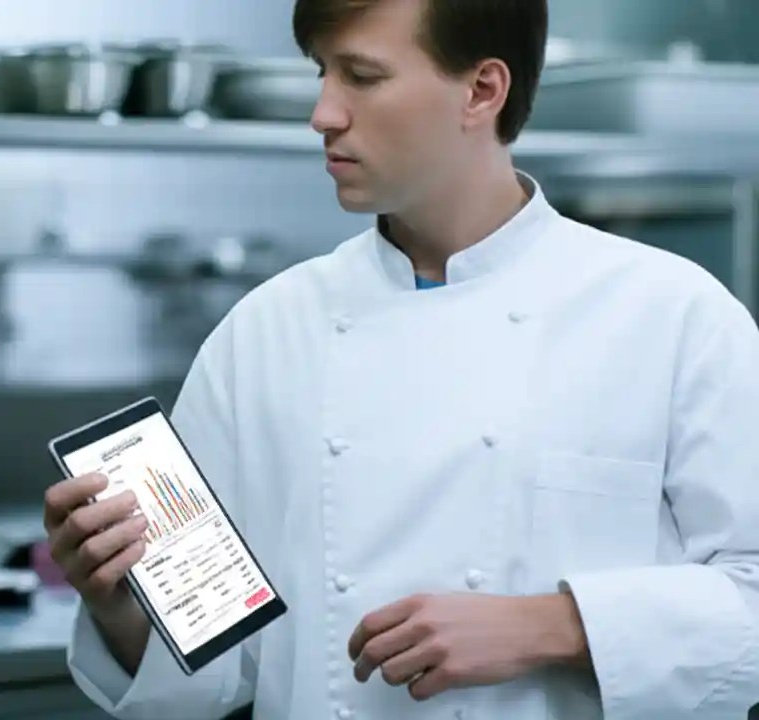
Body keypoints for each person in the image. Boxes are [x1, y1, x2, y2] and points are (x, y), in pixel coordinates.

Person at [43, 0, 759, 717]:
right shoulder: (261, 334)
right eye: (323, 73)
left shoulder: (672, 314)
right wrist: (120, 602)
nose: (323, 113)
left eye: (361, 76)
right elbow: (213, 674)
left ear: (482, 90)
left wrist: (557, 625)